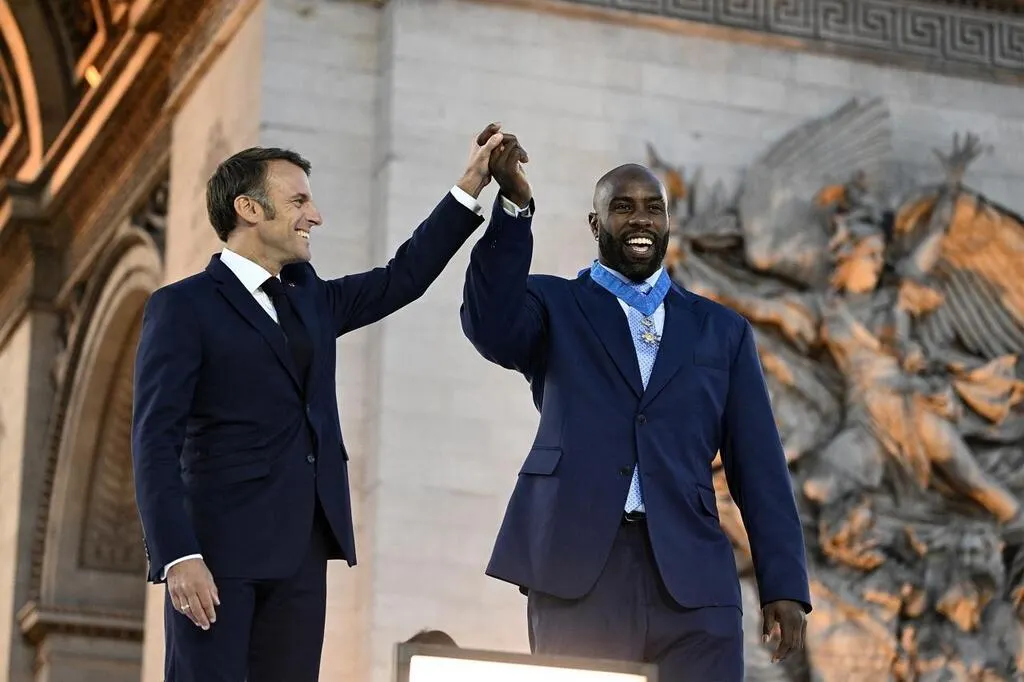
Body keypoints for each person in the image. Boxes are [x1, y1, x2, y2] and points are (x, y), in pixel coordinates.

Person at [131, 124, 509, 682]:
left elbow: (401, 278)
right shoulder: (181, 308)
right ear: (248, 209)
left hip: (303, 552)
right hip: (216, 556)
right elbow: (154, 441)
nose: (316, 215)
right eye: (299, 200)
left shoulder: (311, 297)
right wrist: (176, 555)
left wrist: (470, 184)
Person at [459, 145, 811, 680]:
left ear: (668, 222)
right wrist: (513, 206)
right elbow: (489, 324)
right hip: (579, 568)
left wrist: (784, 583)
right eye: (622, 207)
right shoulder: (553, 306)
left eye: (653, 207)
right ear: (595, 223)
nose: (640, 218)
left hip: (693, 579)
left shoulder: (722, 330)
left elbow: (758, 464)